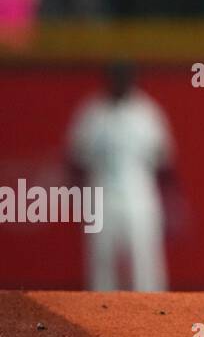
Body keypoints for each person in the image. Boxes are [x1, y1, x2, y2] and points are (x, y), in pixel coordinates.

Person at [67, 63, 176, 292]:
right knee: (101, 261)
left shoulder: (147, 113)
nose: (120, 80)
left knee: (144, 259)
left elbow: (165, 164)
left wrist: (172, 204)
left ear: (133, 78)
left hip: (140, 195)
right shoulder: (92, 113)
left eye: (124, 75)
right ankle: (98, 315)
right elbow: (75, 160)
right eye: (116, 75)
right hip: (101, 195)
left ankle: (156, 313)